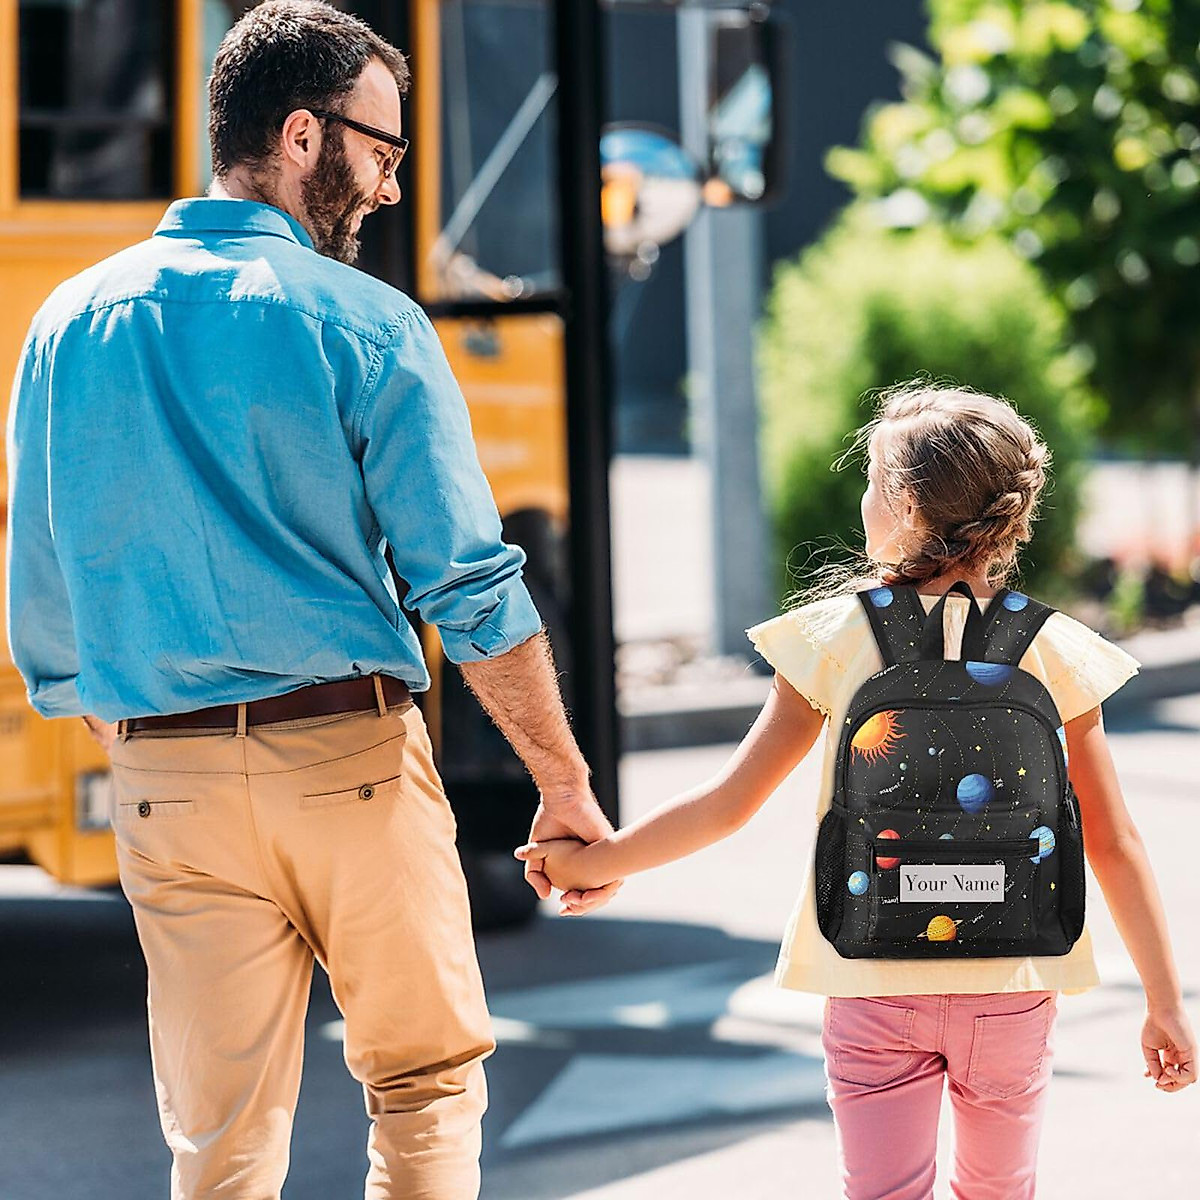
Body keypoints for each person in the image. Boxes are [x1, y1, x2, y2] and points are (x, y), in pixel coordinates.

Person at [5, 2, 618, 1197]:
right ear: (301, 134)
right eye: (382, 150)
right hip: (346, 761)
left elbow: (42, 571)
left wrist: (131, 726)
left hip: (166, 781)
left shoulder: (67, 321)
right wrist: (561, 782)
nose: (388, 185)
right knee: (424, 1087)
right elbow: (467, 583)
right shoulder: (366, 321)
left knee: (218, 1139)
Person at [518, 383, 1197, 1198]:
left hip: (872, 974)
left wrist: (589, 863)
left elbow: (729, 802)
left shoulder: (836, 637)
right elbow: (1114, 843)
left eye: (873, 481)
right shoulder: (1052, 648)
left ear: (906, 505)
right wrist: (1164, 1003)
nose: (865, 498)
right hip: (1010, 985)